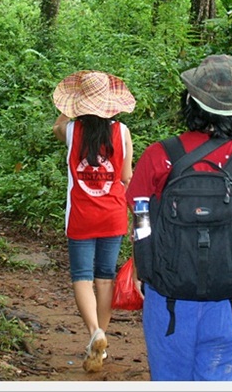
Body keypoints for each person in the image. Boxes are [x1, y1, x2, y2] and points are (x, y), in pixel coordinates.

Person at [125, 54, 232, 381]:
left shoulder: (159, 156)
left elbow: (141, 218)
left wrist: (144, 266)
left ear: (189, 103)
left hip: (169, 301)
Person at [52, 70, 135, 373]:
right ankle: (101, 339)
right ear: (110, 103)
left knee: (82, 276)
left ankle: (94, 333)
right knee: (105, 277)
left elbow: (57, 125)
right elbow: (126, 176)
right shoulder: (123, 132)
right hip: (113, 213)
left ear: (80, 104)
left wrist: (71, 103)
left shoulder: (71, 130)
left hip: (81, 215)